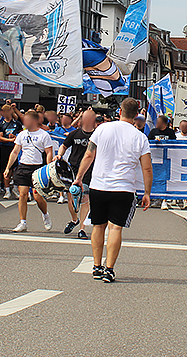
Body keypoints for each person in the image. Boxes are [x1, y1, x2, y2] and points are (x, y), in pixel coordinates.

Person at [74, 98, 152, 283]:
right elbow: (147, 168)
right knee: (115, 228)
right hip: (123, 188)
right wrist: (147, 193)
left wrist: (78, 178)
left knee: (98, 226)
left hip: (99, 185)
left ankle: (96, 266)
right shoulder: (140, 137)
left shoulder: (102, 129)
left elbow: (89, 154)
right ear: (136, 115)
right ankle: (109, 269)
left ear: (120, 112)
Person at [4, 110, 54, 232]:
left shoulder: (44, 135)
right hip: (23, 166)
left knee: (37, 196)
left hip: (37, 168)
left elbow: (49, 152)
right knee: (23, 194)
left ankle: (45, 214)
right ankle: (23, 222)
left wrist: (48, 169)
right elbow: (15, 152)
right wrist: (8, 167)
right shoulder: (22, 134)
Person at [56, 109, 97, 239]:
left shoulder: (97, 135)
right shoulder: (74, 134)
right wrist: (59, 155)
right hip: (73, 168)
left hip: (89, 170)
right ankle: (75, 220)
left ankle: (82, 229)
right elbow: (64, 146)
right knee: (72, 198)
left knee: (85, 199)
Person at [0, 104, 23, 199]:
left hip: (15, 148)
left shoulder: (17, 124)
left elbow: (21, 135)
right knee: (6, 169)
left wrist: (15, 138)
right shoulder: (1, 124)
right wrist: (10, 140)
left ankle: (15, 188)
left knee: (15, 169)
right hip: (4, 148)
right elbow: (0, 137)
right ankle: (7, 190)